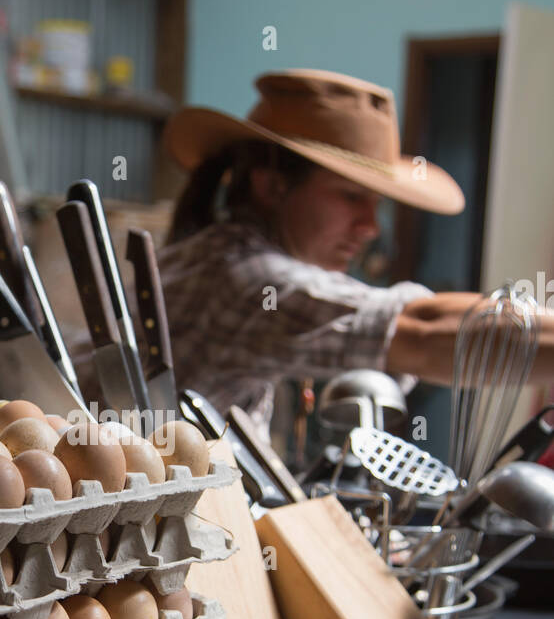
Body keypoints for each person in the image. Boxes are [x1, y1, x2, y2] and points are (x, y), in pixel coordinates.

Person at [159, 69, 554, 449]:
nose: (370, 227)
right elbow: (425, 331)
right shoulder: (247, 278)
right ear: (273, 186)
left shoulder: (217, 254)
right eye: (351, 196)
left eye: (376, 204)